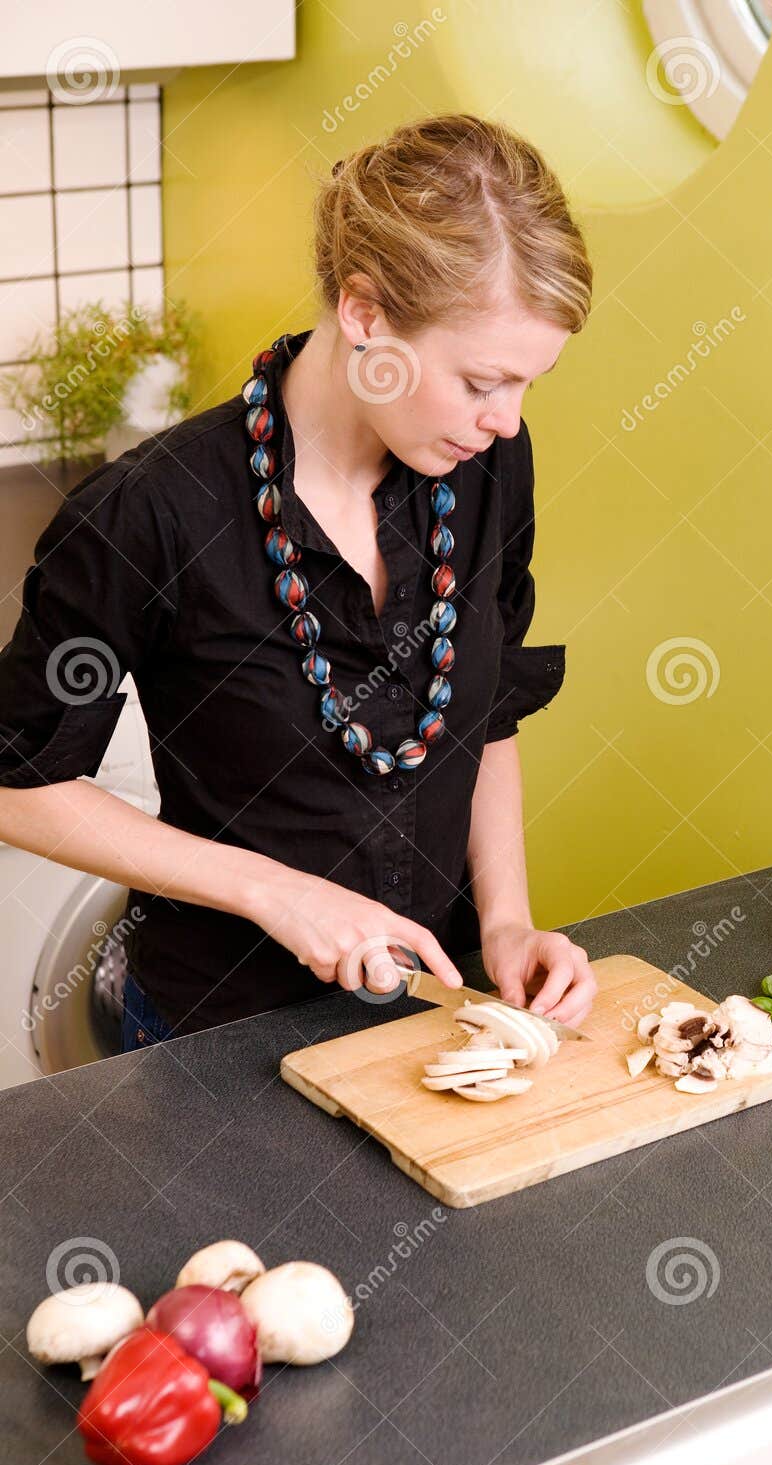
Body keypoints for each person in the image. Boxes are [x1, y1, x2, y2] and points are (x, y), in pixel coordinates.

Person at [0, 113, 597, 1054]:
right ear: (365, 313)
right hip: (218, 1042)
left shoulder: (485, 470)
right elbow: (14, 781)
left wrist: (507, 924)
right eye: (482, 380)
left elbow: (489, 713)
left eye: (528, 385)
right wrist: (276, 891)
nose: (506, 421)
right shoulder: (154, 511)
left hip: (430, 1019)